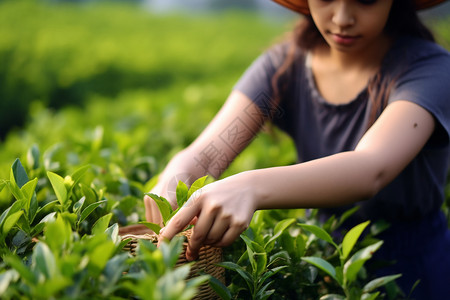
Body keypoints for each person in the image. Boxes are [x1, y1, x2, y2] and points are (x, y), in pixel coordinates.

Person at [144, 0, 450, 298]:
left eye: (366, 0)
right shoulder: (285, 66)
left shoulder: (429, 69)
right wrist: (176, 178)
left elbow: (371, 167)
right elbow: (209, 154)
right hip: (321, 263)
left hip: (412, 267)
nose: (342, 17)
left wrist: (250, 187)